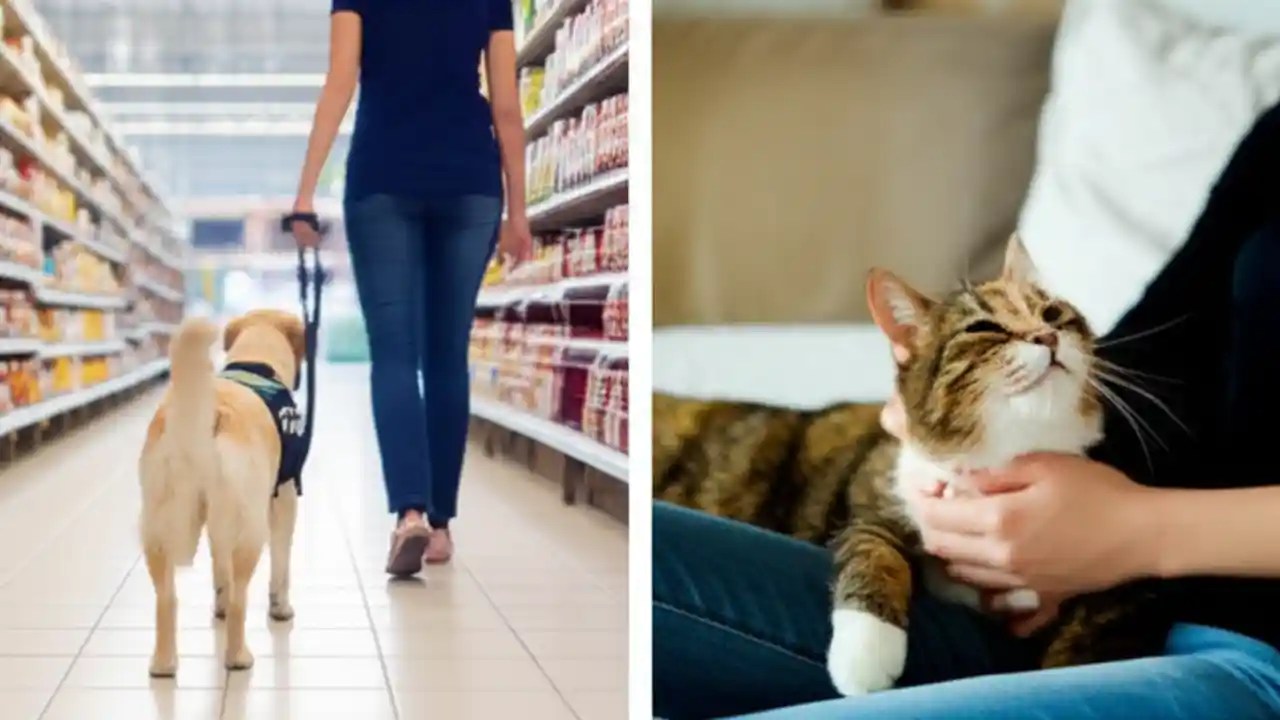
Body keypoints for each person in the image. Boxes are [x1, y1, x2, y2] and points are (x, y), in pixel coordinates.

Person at [652, 103, 1280, 719]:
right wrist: (942, 436)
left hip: (1242, 653)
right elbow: (1152, 354)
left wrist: (1134, 531)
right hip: (1040, 601)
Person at [292, 0, 532, 576]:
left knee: (394, 354)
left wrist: (304, 193)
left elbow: (341, 81)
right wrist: (518, 212)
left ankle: (410, 512)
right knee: (446, 356)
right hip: (470, 181)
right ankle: (443, 526)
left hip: (384, 177)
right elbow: (506, 107)